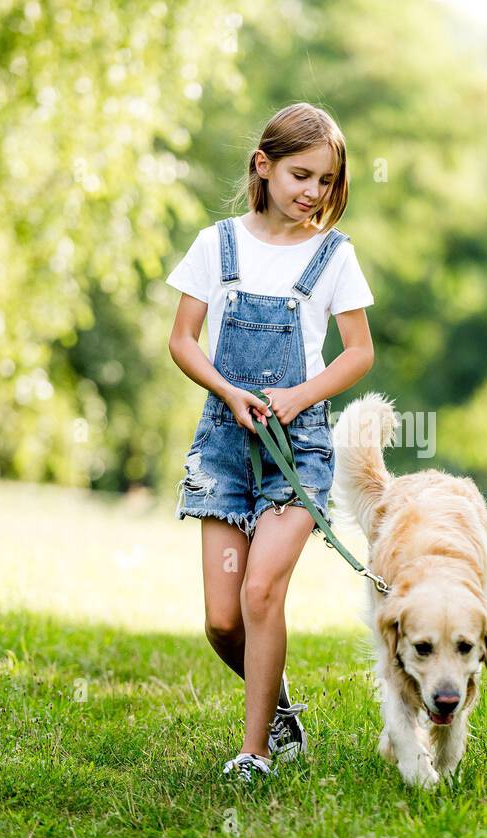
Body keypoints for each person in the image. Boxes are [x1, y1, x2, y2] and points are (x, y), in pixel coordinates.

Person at [166, 103, 376, 782]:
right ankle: (281, 708)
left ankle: (255, 753)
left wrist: (295, 397)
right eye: (301, 174)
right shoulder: (216, 245)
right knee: (223, 621)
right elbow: (182, 340)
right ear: (264, 165)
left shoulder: (333, 256)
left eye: (326, 181)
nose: (313, 192)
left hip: (299, 447)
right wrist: (229, 392)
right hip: (225, 446)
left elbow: (358, 354)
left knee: (261, 594)